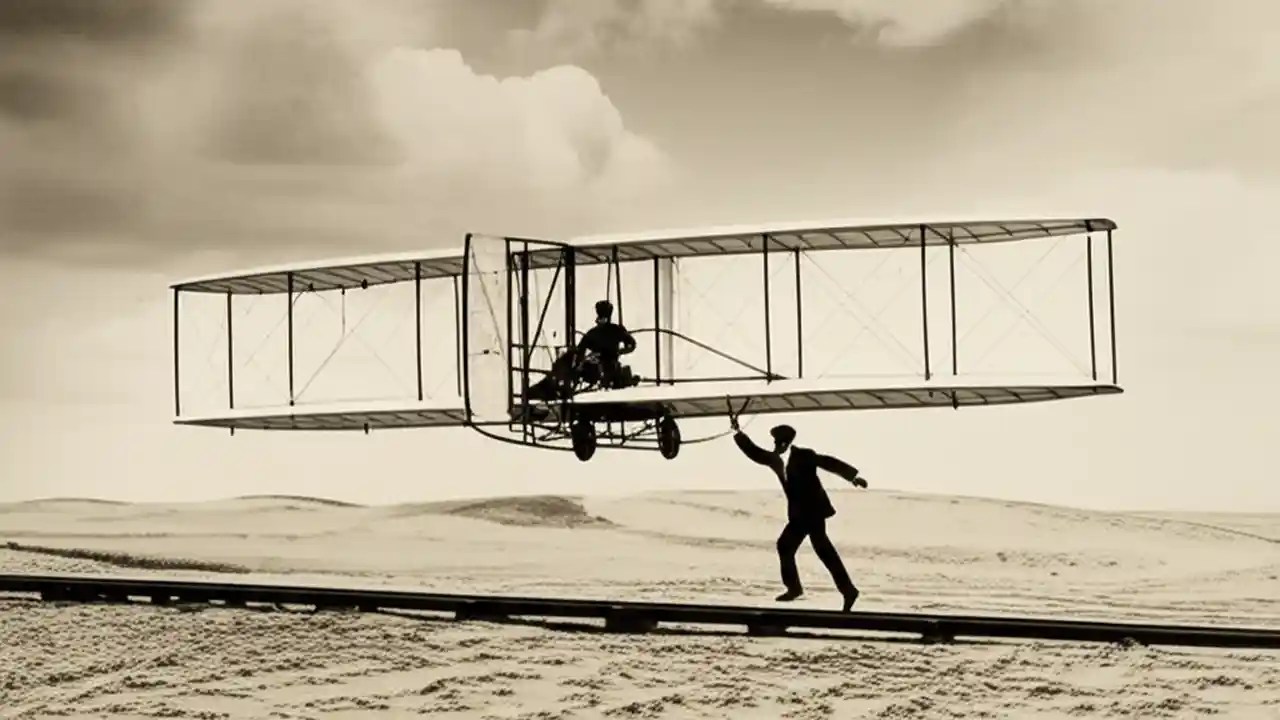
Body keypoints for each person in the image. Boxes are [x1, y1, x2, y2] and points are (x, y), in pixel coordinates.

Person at [728, 408, 867, 612]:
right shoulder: (775, 460)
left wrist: (852, 477)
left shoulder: (804, 455)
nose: (776, 447)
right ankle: (798, 589)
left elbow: (827, 462)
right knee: (787, 546)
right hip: (799, 515)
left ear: (787, 443)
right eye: (775, 443)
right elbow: (754, 453)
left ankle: (846, 591)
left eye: (779, 443)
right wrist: (738, 433)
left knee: (821, 550)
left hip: (814, 511)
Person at [576, 300, 637, 389]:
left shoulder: (612, 330)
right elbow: (580, 350)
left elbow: (631, 344)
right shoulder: (596, 332)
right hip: (599, 369)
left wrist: (618, 352)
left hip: (610, 367)